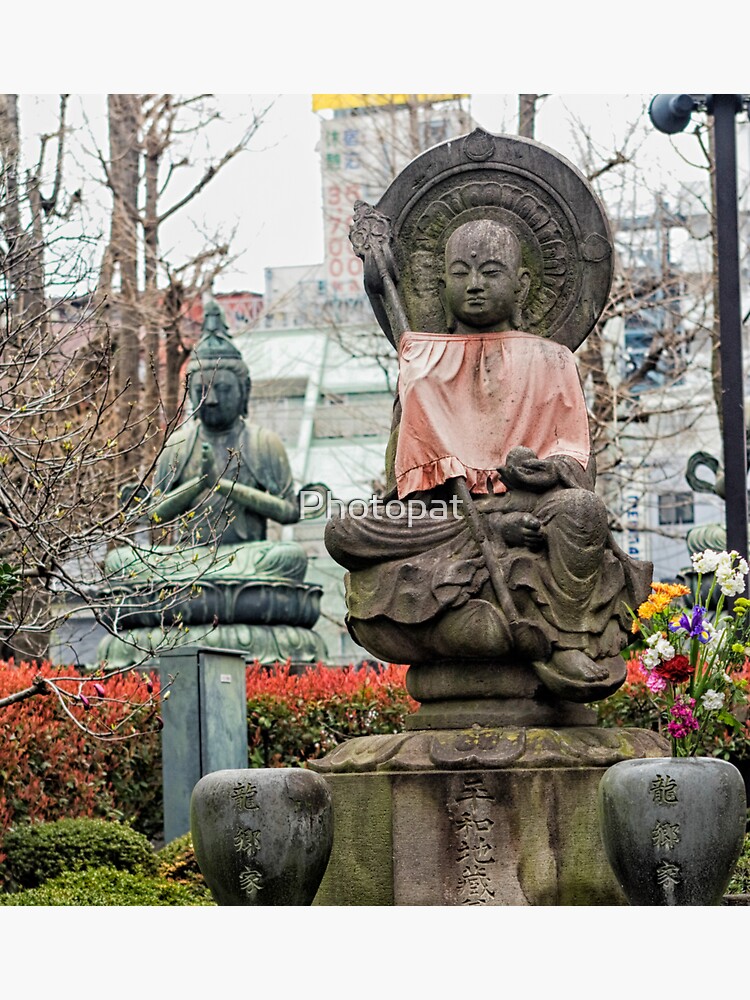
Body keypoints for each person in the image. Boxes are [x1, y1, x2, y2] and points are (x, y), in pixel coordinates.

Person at [325, 219, 652, 702]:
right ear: (441, 283)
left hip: (530, 503)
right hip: (449, 514)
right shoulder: (421, 362)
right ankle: (496, 536)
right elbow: (405, 479)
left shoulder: (552, 359)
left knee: (583, 513)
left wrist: (545, 471)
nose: (474, 284)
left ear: (521, 283)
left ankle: (566, 638)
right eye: (461, 272)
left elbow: (577, 464)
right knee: (344, 530)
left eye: (490, 271)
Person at [105, 303, 307, 586]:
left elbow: (288, 512)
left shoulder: (263, 443)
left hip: (249, 556)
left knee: (290, 557)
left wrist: (223, 485)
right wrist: (200, 482)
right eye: (202, 390)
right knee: (122, 561)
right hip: (189, 559)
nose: (211, 399)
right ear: (192, 394)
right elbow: (154, 514)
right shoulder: (177, 445)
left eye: (222, 389)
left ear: (243, 390)